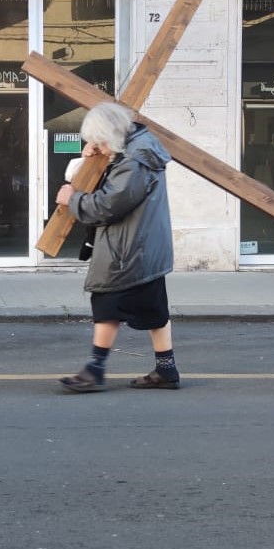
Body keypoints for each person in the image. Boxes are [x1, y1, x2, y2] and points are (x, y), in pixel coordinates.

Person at [55, 101, 179, 393]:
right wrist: (91, 158)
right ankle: (166, 369)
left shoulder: (135, 161)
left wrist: (72, 199)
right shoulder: (135, 151)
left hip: (129, 250)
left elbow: (109, 204)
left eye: (99, 140)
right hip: (142, 248)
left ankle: (95, 369)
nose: (97, 145)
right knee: (153, 309)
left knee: (107, 302)